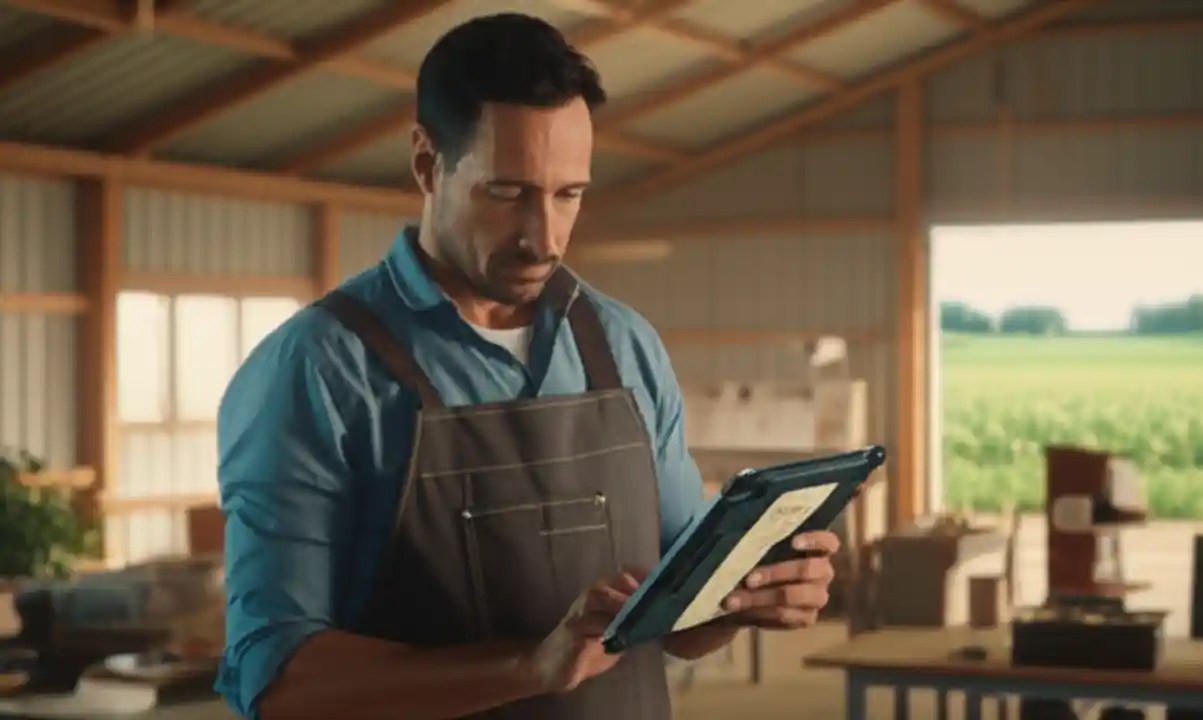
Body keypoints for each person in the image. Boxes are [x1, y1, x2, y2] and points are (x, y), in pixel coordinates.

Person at [215, 13, 841, 720]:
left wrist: (747, 598)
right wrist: (528, 667)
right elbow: (278, 683)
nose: (543, 237)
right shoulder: (318, 371)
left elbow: (677, 617)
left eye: (568, 194)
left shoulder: (624, 347)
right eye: (508, 194)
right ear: (427, 164)